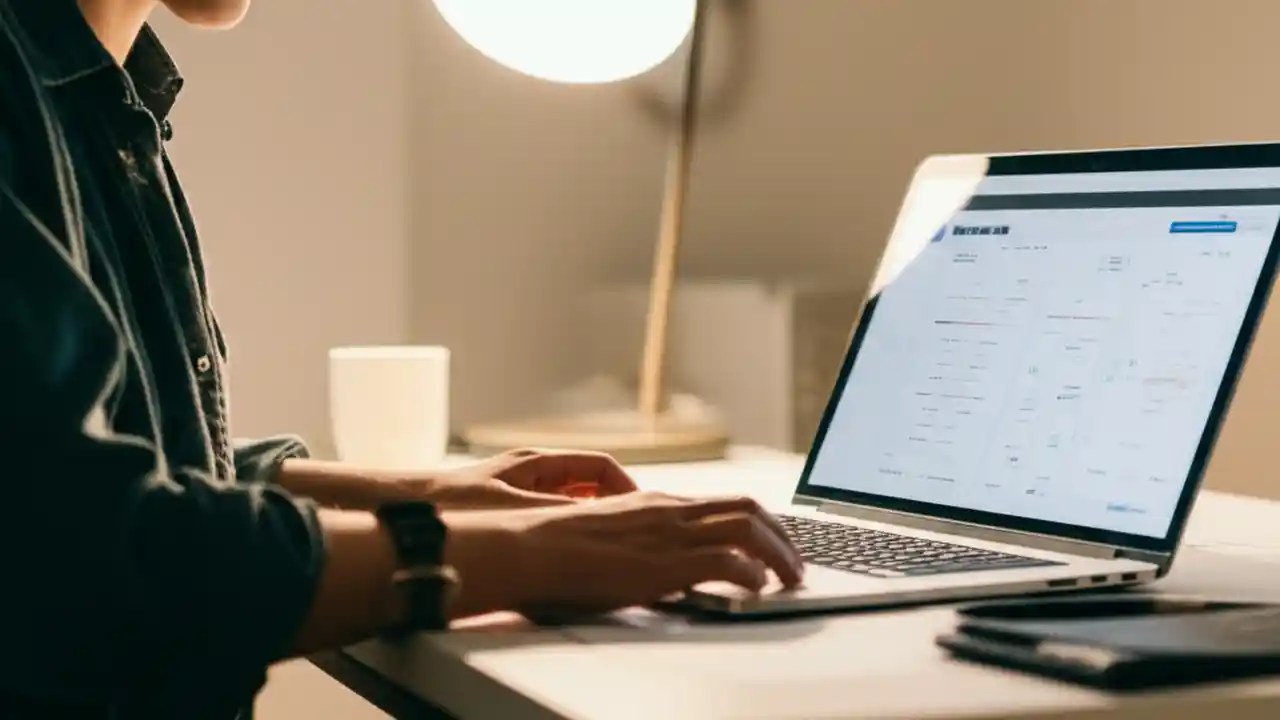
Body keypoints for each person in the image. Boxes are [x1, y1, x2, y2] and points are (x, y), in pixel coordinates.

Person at [0, 0, 804, 717]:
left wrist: (428, 492)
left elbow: (115, 465)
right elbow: (75, 555)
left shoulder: (96, 97)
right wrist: (534, 554)